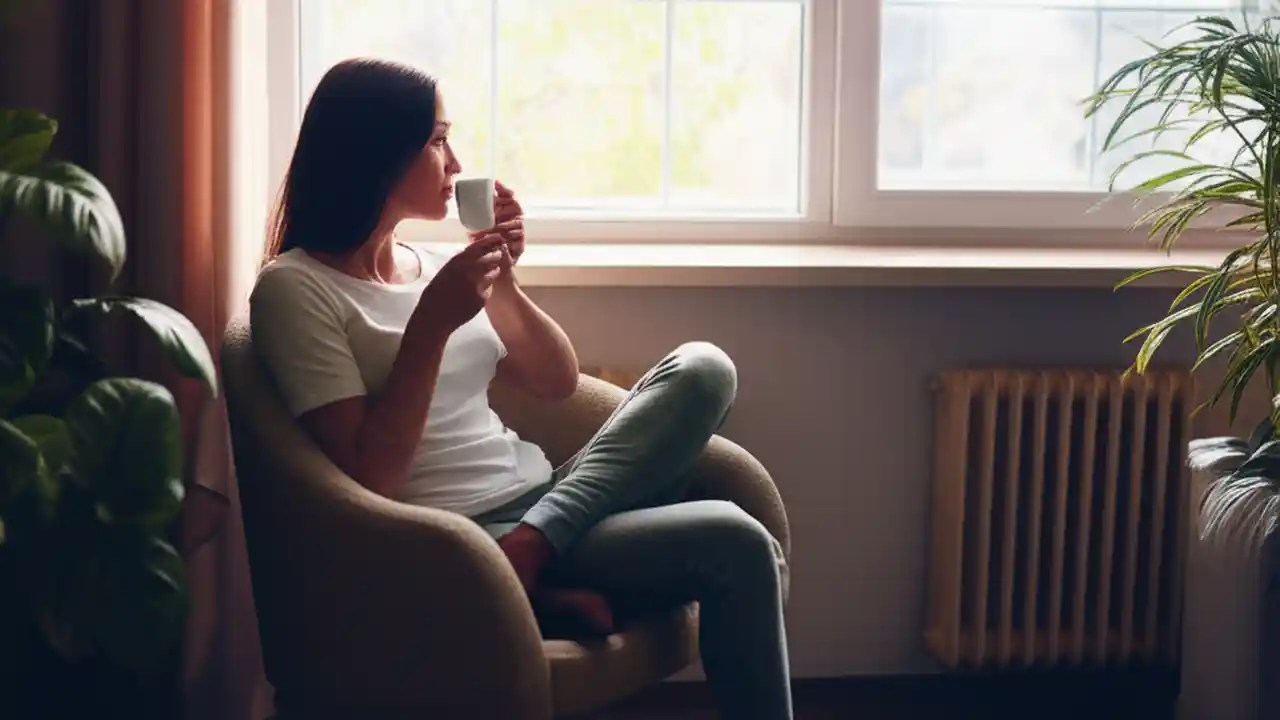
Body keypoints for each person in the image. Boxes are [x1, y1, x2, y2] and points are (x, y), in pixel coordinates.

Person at [249, 58, 791, 719]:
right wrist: (429, 327)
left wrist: (502, 277)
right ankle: (527, 566)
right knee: (737, 539)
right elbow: (372, 473)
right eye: (438, 140)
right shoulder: (294, 288)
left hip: (548, 500)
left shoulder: (435, 267)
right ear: (380, 152)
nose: (455, 164)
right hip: (457, 544)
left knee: (704, 369)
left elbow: (555, 380)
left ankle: (534, 553)